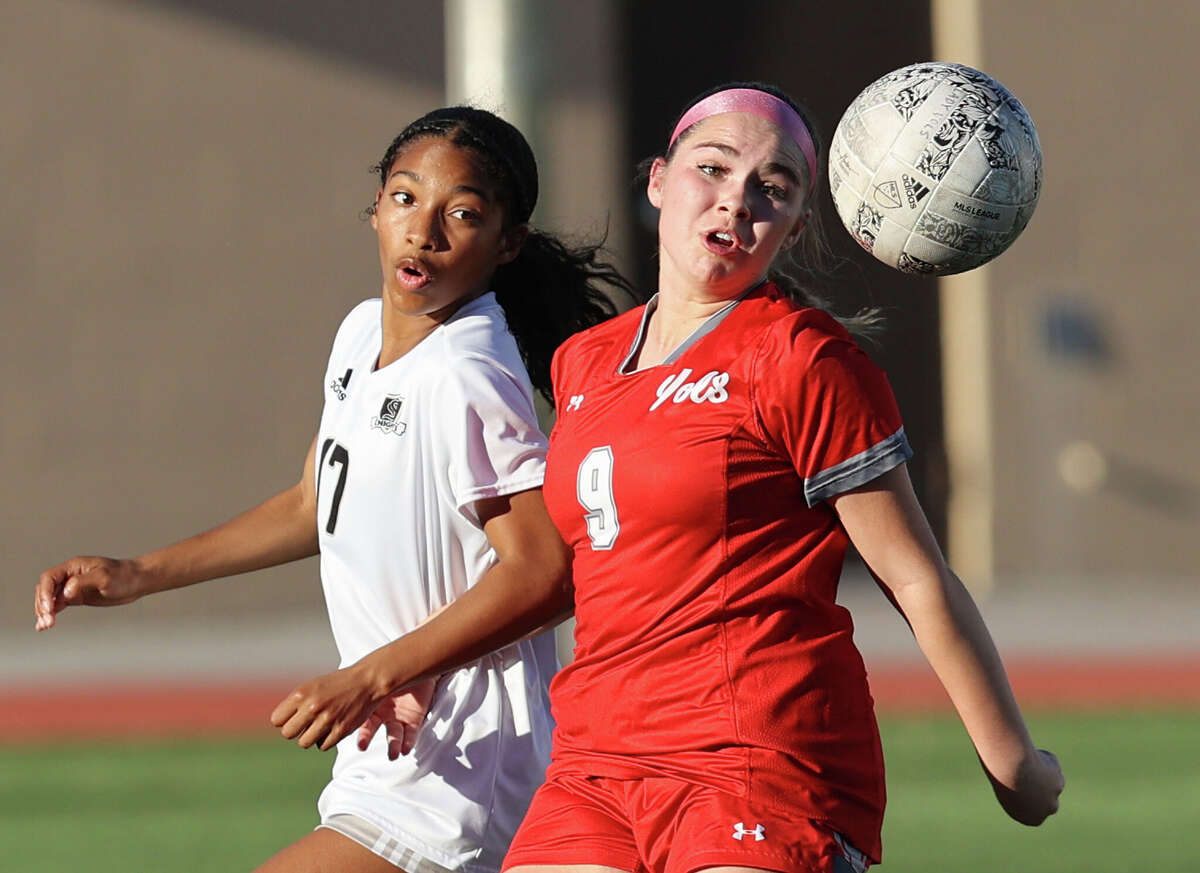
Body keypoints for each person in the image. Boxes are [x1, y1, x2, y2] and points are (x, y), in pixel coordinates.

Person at [33, 106, 631, 873]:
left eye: (464, 214)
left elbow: (547, 571)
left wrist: (381, 671)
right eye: (407, 198)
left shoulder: (467, 372)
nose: (424, 231)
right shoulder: (359, 336)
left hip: (465, 771)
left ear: (507, 242)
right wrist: (137, 573)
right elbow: (314, 503)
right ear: (375, 209)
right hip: (394, 756)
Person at [495, 83, 1065, 873]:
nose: (736, 201)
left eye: (773, 189)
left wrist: (1016, 765)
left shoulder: (804, 359)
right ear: (658, 181)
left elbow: (917, 578)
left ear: (795, 228)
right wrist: (409, 670)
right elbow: (574, 570)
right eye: (714, 168)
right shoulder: (585, 360)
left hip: (757, 761)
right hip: (595, 765)